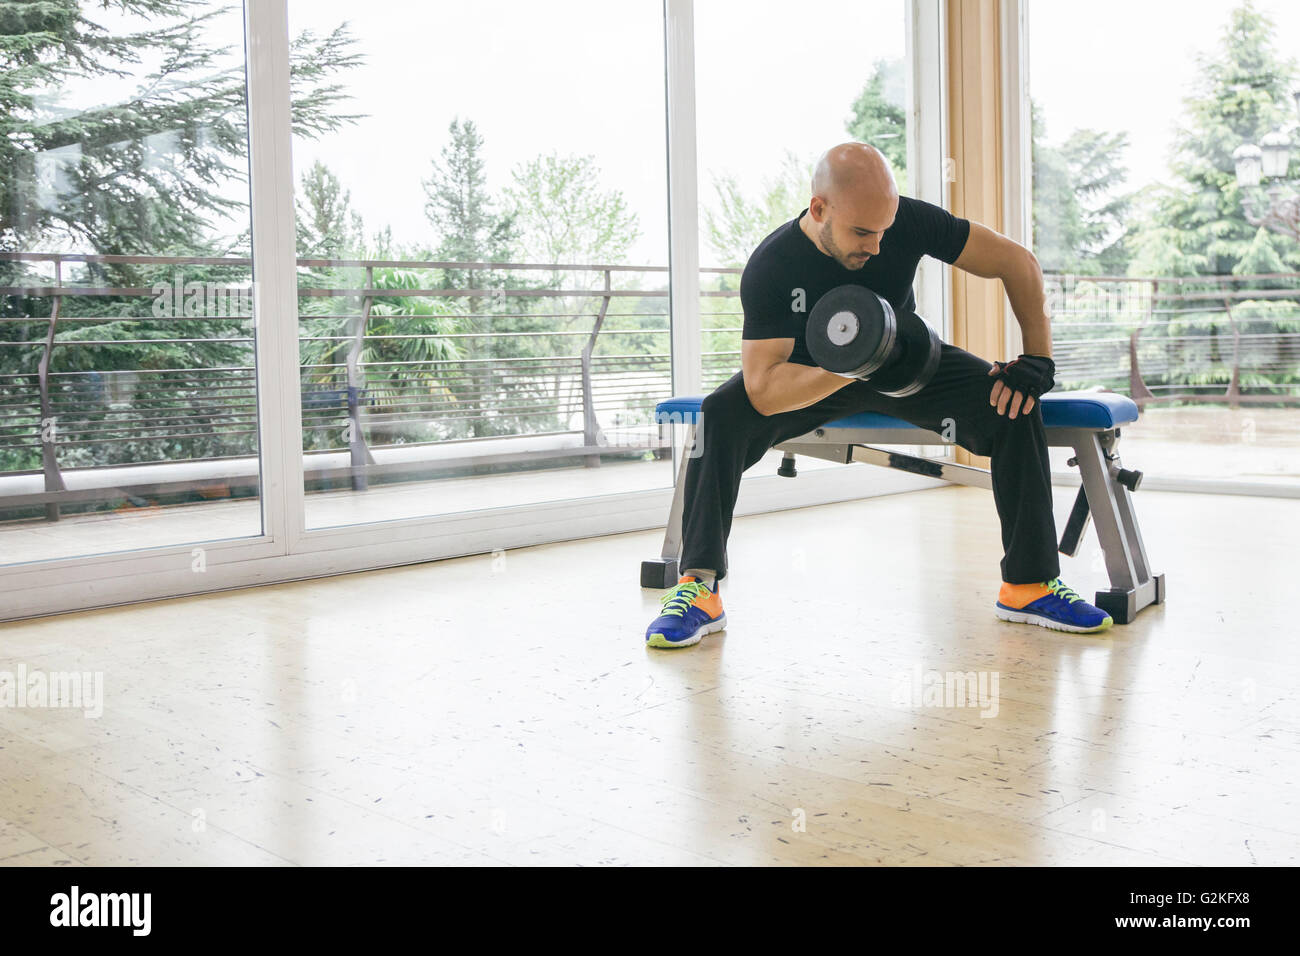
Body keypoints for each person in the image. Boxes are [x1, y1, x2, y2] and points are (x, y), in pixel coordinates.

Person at [645, 142, 1113, 649]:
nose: (876, 246)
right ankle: (698, 588)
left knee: (1012, 404)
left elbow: (1015, 262)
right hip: (808, 378)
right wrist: (853, 364)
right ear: (819, 208)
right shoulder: (773, 265)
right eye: (863, 233)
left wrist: (1037, 359)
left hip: (907, 363)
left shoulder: (904, 221)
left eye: (885, 231)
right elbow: (762, 389)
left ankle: (1028, 584)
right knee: (720, 415)